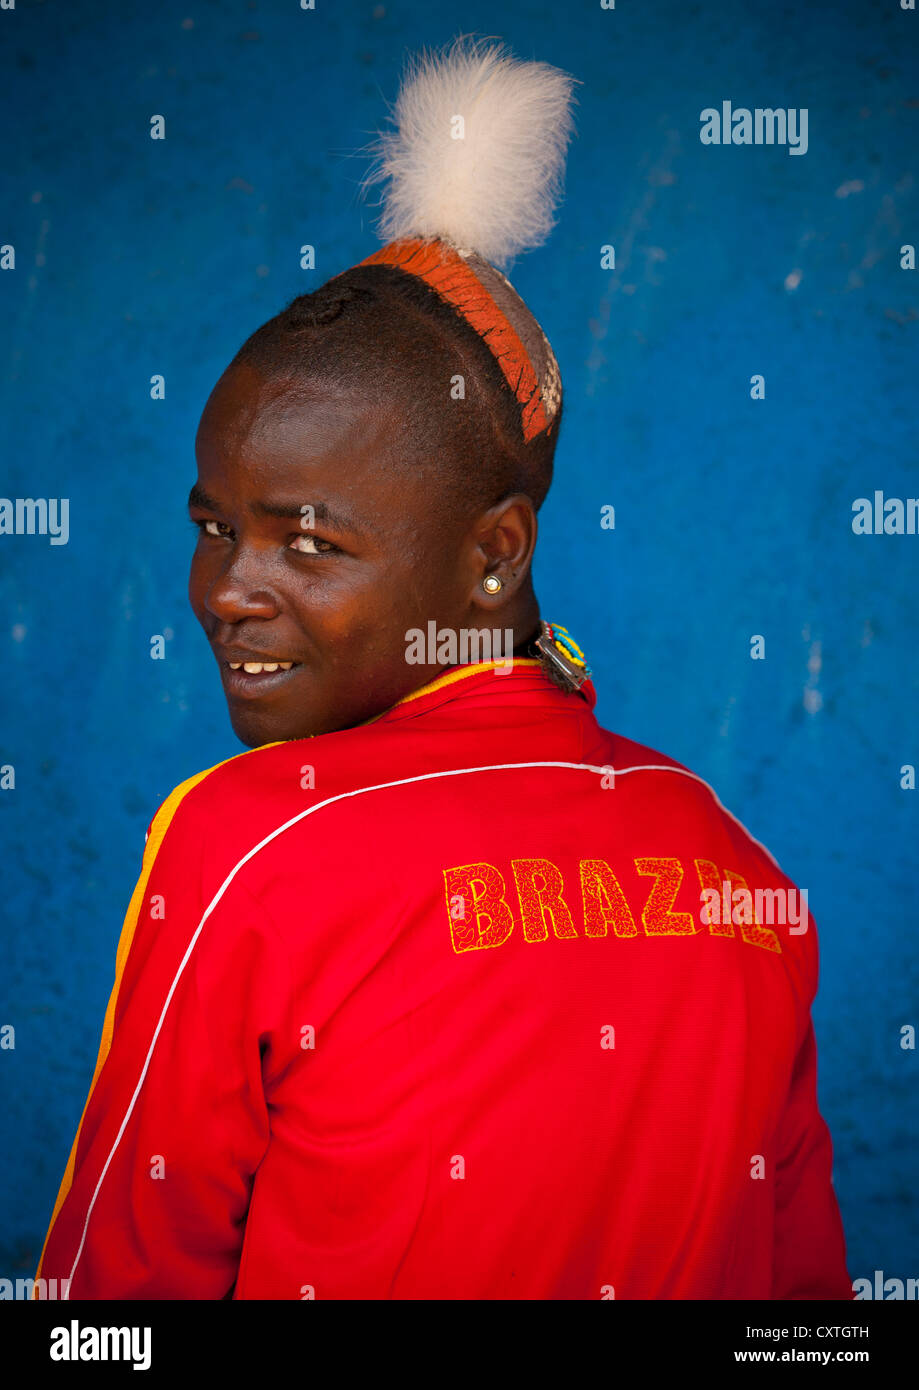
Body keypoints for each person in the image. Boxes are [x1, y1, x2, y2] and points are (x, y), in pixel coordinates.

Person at [35, 36, 851, 1300]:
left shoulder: (249, 846)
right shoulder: (731, 864)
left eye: (310, 542)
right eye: (214, 528)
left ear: (493, 555)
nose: (226, 593)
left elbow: (114, 1310)